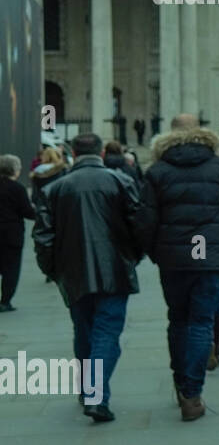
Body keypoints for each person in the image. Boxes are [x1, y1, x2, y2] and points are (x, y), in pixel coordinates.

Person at [134, 114, 219, 421]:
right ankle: (192, 392)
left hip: (174, 259)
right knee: (202, 322)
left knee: (178, 320)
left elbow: (144, 221)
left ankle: (180, 379)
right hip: (209, 257)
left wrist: (154, 251)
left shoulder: (157, 171)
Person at [32, 133, 143, 422]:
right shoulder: (121, 182)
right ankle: (96, 396)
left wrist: (52, 270)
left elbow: (43, 236)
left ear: (74, 154)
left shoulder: (55, 188)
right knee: (106, 333)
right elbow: (139, 226)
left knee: (84, 332)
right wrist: (132, 257)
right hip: (114, 269)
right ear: (101, 153)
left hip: (72, 272)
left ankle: (88, 389)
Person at [0, 154, 37, 312]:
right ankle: (5, 301)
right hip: (11, 234)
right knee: (11, 269)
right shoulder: (18, 188)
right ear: (14, 170)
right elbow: (27, 212)